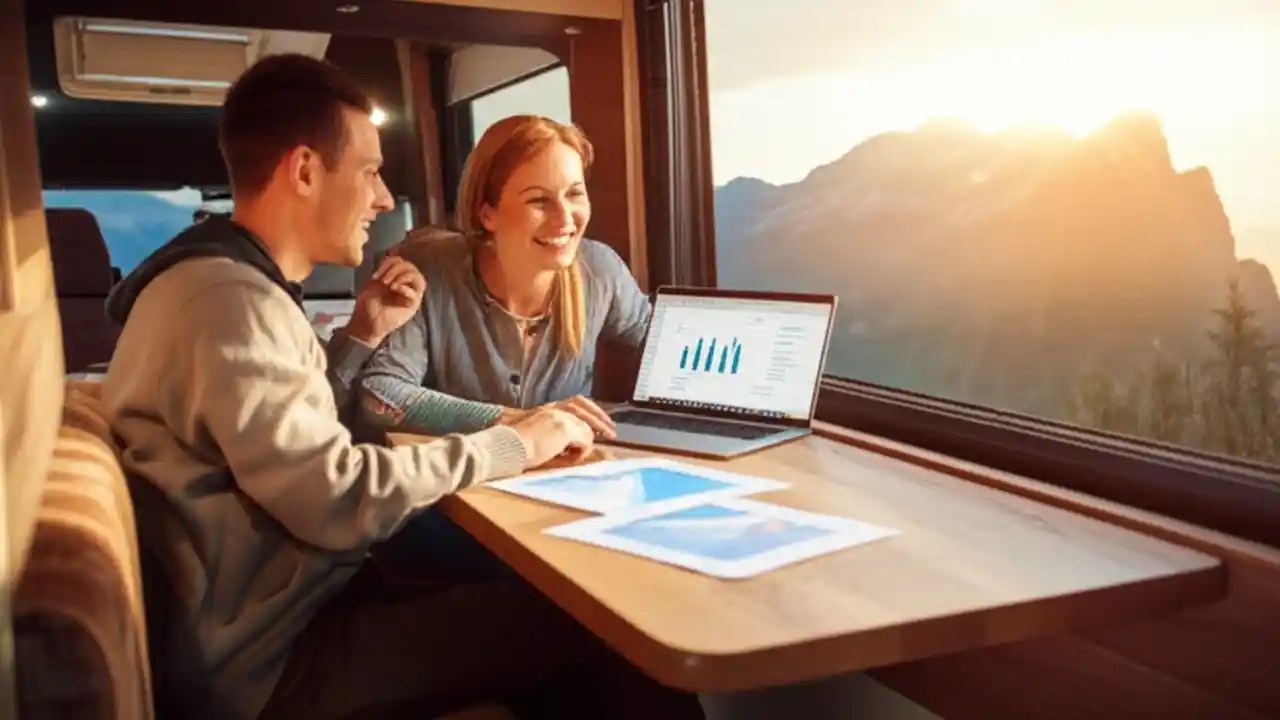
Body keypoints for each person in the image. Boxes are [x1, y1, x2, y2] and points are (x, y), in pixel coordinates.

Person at [102, 54, 700, 720]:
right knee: (599, 629)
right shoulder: (230, 303)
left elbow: (289, 433)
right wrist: (514, 441)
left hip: (282, 607)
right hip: (274, 660)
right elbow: (335, 495)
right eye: (369, 171)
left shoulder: (219, 284)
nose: (384, 198)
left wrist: (360, 333)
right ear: (304, 170)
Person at [355, 115, 651, 442]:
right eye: (539, 200)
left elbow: (662, 343)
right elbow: (381, 395)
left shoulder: (600, 269)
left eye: (575, 194)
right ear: (487, 213)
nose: (565, 218)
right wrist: (518, 421)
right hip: (466, 479)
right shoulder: (427, 269)